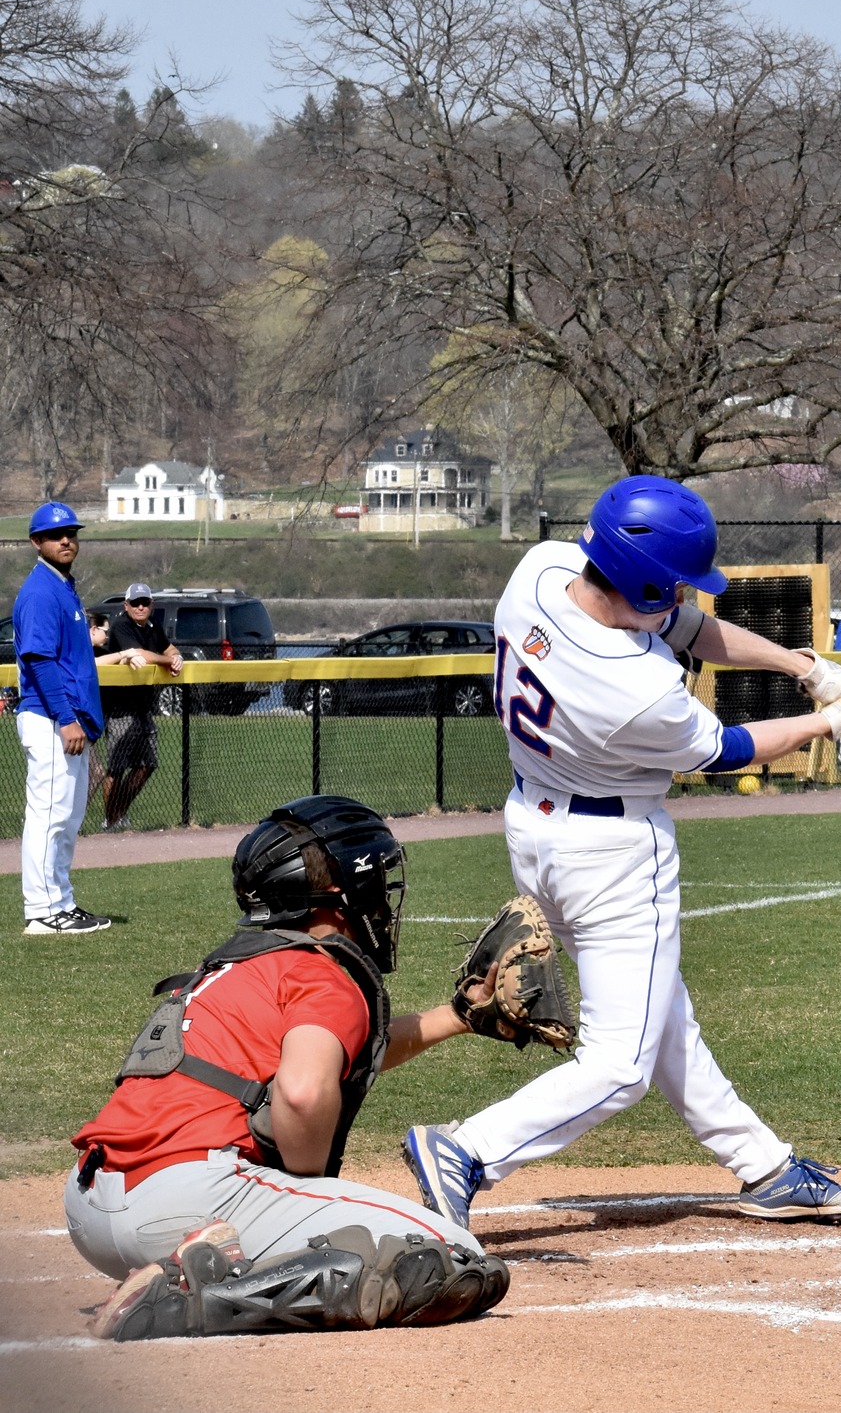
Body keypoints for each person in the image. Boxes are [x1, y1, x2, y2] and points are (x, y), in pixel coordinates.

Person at [402, 475, 841, 1227]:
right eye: (670, 584)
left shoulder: (540, 570)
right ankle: (467, 1150)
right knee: (620, 1063)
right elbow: (728, 747)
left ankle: (762, 1166)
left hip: (534, 830)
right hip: (613, 853)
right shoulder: (634, 688)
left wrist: (805, 666)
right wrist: (833, 720)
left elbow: (684, 624)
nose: (680, 597)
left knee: (660, 1015)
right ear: (644, 582)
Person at [69, 795, 511, 1341]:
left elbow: (344, 1052)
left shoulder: (246, 963)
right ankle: (189, 1299)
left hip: (91, 1205)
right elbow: (301, 1092)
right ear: (337, 898)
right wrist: (304, 1199)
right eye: (373, 884)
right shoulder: (326, 975)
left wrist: (459, 1015)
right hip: (188, 1198)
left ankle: (205, 1266)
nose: (381, 901)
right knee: (457, 1256)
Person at [13, 502, 110, 935]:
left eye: (71, 532)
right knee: (49, 817)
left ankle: (61, 902)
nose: (66, 539)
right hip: (50, 718)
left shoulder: (62, 586)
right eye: (55, 535)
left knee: (66, 819)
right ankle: (42, 909)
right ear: (37, 542)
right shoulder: (39, 591)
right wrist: (66, 718)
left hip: (66, 720)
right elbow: (39, 661)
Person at [96, 582, 183, 831]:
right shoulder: (122, 626)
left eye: (145, 602)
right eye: (135, 603)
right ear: (127, 605)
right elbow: (141, 654)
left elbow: (170, 648)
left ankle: (119, 812)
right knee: (117, 767)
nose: (141, 606)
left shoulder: (154, 627)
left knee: (147, 764)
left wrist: (177, 658)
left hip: (143, 707)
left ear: (151, 605)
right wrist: (169, 661)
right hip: (120, 707)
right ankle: (110, 820)